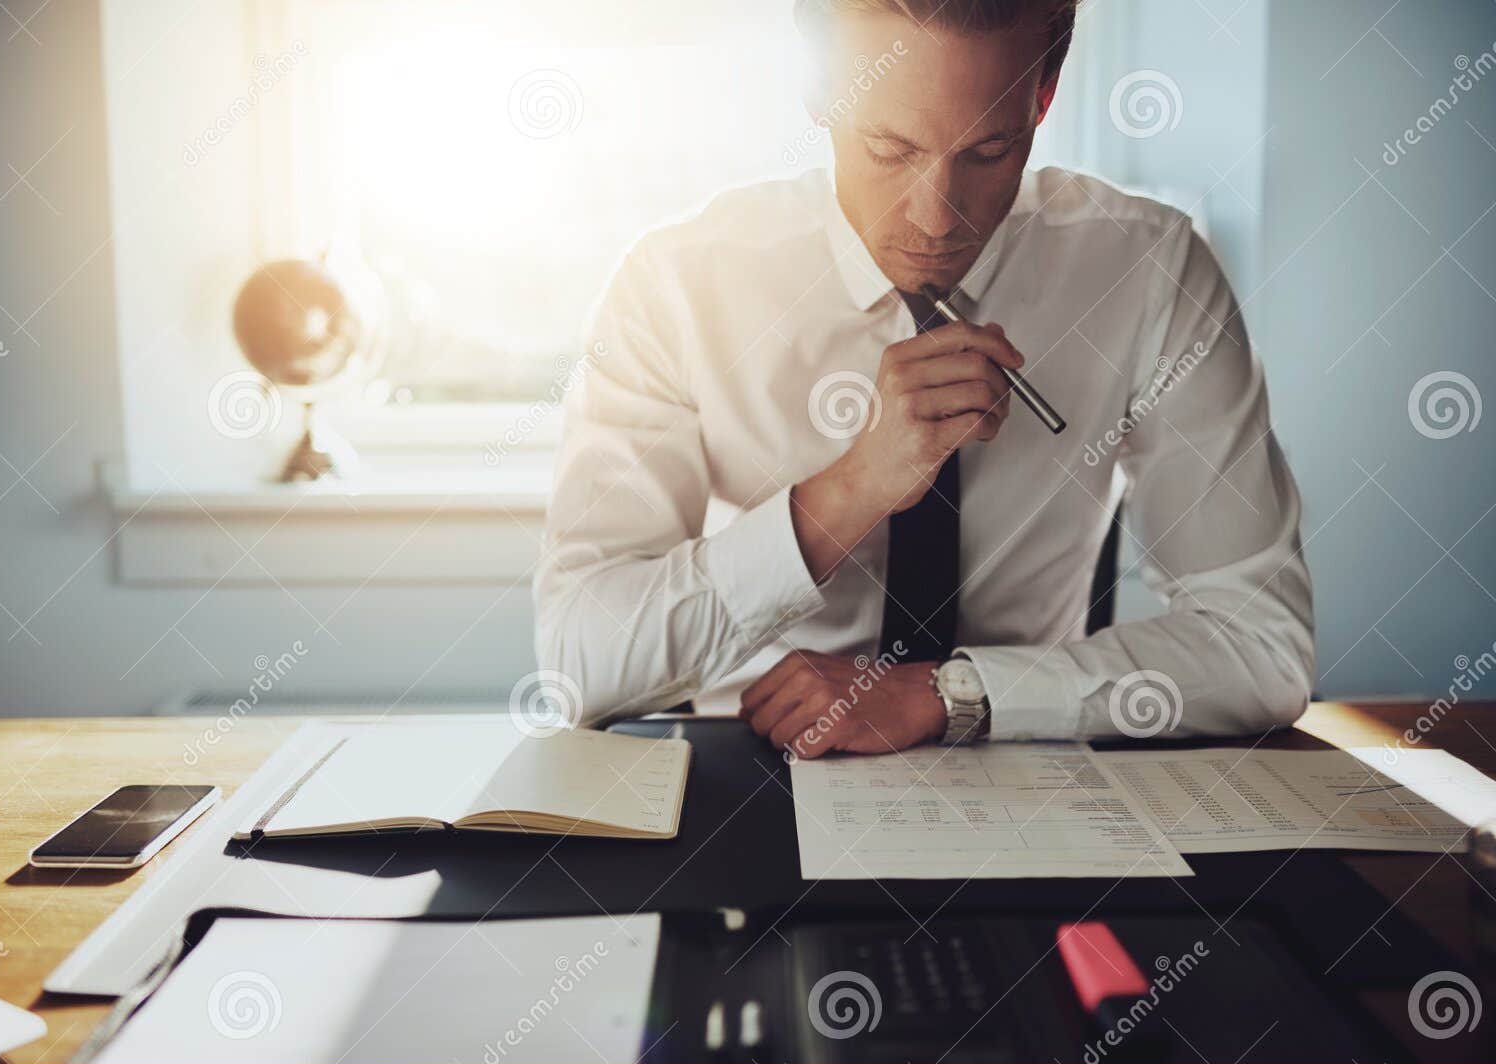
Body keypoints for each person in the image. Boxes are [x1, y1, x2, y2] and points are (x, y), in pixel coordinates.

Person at [534, 0, 1314, 758]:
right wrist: (849, 491)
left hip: (1024, 773)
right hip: (752, 767)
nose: (938, 218)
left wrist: (952, 695)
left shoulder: (1148, 270)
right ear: (819, 91)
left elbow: (1262, 645)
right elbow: (579, 664)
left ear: (1044, 97)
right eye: (889, 149)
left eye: (989, 151)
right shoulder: (678, 283)